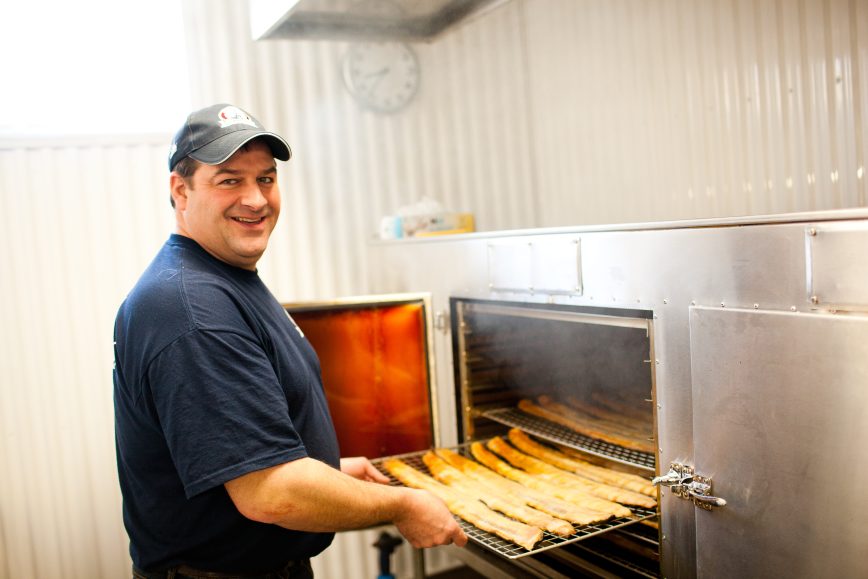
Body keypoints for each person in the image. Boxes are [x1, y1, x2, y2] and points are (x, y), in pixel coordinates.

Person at [113, 103, 467, 579]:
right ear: (181, 189)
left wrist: (328, 467)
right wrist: (402, 505)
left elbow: (238, 449)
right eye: (230, 180)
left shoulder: (221, 279)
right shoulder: (192, 309)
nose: (256, 199)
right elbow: (271, 492)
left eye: (265, 178)